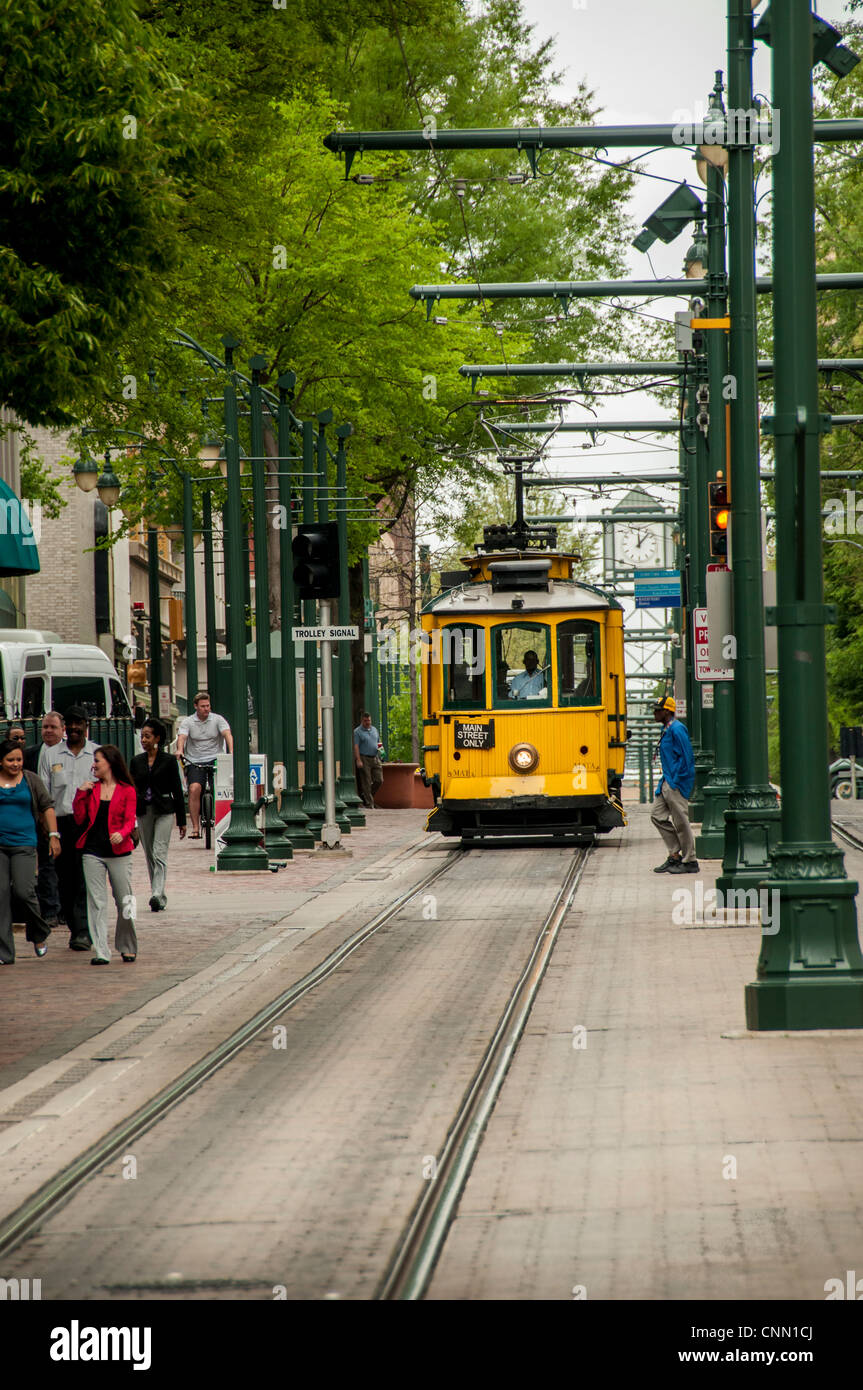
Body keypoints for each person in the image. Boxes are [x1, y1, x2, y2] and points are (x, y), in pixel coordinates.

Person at [73, 745, 138, 964]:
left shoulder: (127, 789)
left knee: (126, 901)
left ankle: (128, 944)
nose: (94, 765)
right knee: (96, 902)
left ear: (109, 762)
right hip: (92, 852)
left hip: (120, 852)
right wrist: (81, 793)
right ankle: (101, 950)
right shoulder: (92, 789)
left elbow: (130, 819)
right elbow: (79, 818)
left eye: (97, 760)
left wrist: (122, 833)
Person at [0, 737, 59, 964]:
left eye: (19, 760)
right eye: (10, 760)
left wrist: (54, 836)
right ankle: (5, 952)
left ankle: (38, 933)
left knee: (25, 892)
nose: (15, 764)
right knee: (1, 895)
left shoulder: (31, 780)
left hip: (24, 843)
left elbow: (47, 806)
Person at [45, 705, 97, 949]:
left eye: (80, 723)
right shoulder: (51, 755)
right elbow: (45, 796)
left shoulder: (97, 754)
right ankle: (75, 927)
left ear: (87, 726)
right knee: (65, 879)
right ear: (66, 727)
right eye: (72, 724)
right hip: (62, 823)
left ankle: (84, 931)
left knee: (86, 877)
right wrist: (50, 831)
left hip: (88, 824)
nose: (75, 728)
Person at [130, 717, 186, 912]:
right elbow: (130, 790)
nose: (143, 740)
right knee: (149, 854)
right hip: (143, 811)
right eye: (142, 736)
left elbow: (177, 790)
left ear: (157, 738)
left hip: (164, 810)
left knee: (159, 851)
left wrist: (182, 820)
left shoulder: (169, 761)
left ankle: (155, 893)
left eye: (147, 736)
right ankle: (159, 894)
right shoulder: (136, 762)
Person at [24, 711, 65, 925]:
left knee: (65, 866)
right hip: (38, 819)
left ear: (62, 730)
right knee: (46, 864)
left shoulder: (67, 754)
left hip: (64, 816)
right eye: (45, 727)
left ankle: (66, 909)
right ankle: (50, 910)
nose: (48, 731)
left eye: (53, 727)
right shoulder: (30, 754)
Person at [650, 695, 698, 874]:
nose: (654, 713)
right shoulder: (667, 729)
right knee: (657, 816)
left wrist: (676, 781)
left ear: (667, 712)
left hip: (676, 783)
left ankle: (690, 860)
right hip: (667, 781)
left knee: (681, 822)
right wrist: (663, 783)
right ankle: (675, 855)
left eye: (657, 710)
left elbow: (687, 758)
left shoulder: (677, 729)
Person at [176, 692, 232, 839]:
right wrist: (180, 750)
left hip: (215, 759)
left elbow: (227, 734)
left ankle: (220, 823)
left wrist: (231, 752)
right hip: (195, 760)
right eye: (202, 706)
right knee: (194, 788)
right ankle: (195, 827)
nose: (206, 709)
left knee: (219, 789)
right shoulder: (188, 722)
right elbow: (182, 737)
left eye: (208, 706)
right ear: (196, 706)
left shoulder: (218, 719)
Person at [353, 711, 383, 810]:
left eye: (369, 720)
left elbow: (379, 743)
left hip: (375, 757)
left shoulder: (374, 729)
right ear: (362, 721)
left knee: (379, 780)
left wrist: (382, 753)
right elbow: (356, 746)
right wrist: (358, 760)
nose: (368, 722)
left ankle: (365, 796)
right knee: (366, 781)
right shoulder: (357, 732)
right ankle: (370, 804)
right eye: (365, 721)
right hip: (364, 758)